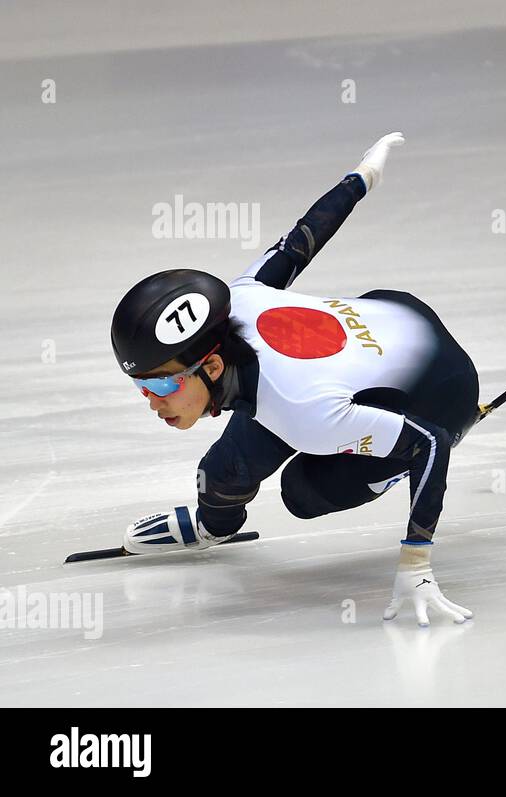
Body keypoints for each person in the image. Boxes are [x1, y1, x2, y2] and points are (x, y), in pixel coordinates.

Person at [110, 133, 476, 625]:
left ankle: (389, 466)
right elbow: (302, 239)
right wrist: (361, 178)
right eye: (142, 388)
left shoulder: (305, 411)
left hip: (441, 393)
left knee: (303, 494)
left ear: (213, 366)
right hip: (388, 316)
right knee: (221, 474)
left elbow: (431, 444)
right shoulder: (241, 296)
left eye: (160, 387)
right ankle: (212, 525)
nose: (153, 403)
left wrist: (417, 559)